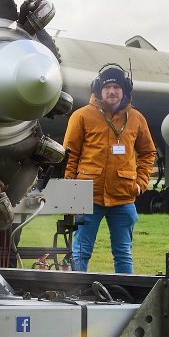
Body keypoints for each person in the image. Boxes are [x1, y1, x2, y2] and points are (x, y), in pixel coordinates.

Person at [63, 64, 156, 273]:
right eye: (107, 87)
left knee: (123, 253)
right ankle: (77, 290)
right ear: (98, 89)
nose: (111, 91)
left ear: (125, 90)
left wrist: (141, 183)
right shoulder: (81, 116)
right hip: (88, 196)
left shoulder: (137, 119)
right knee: (80, 252)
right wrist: (70, 192)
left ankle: (125, 291)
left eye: (116, 87)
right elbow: (70, 156)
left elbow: (148, 153)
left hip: (124, 196)